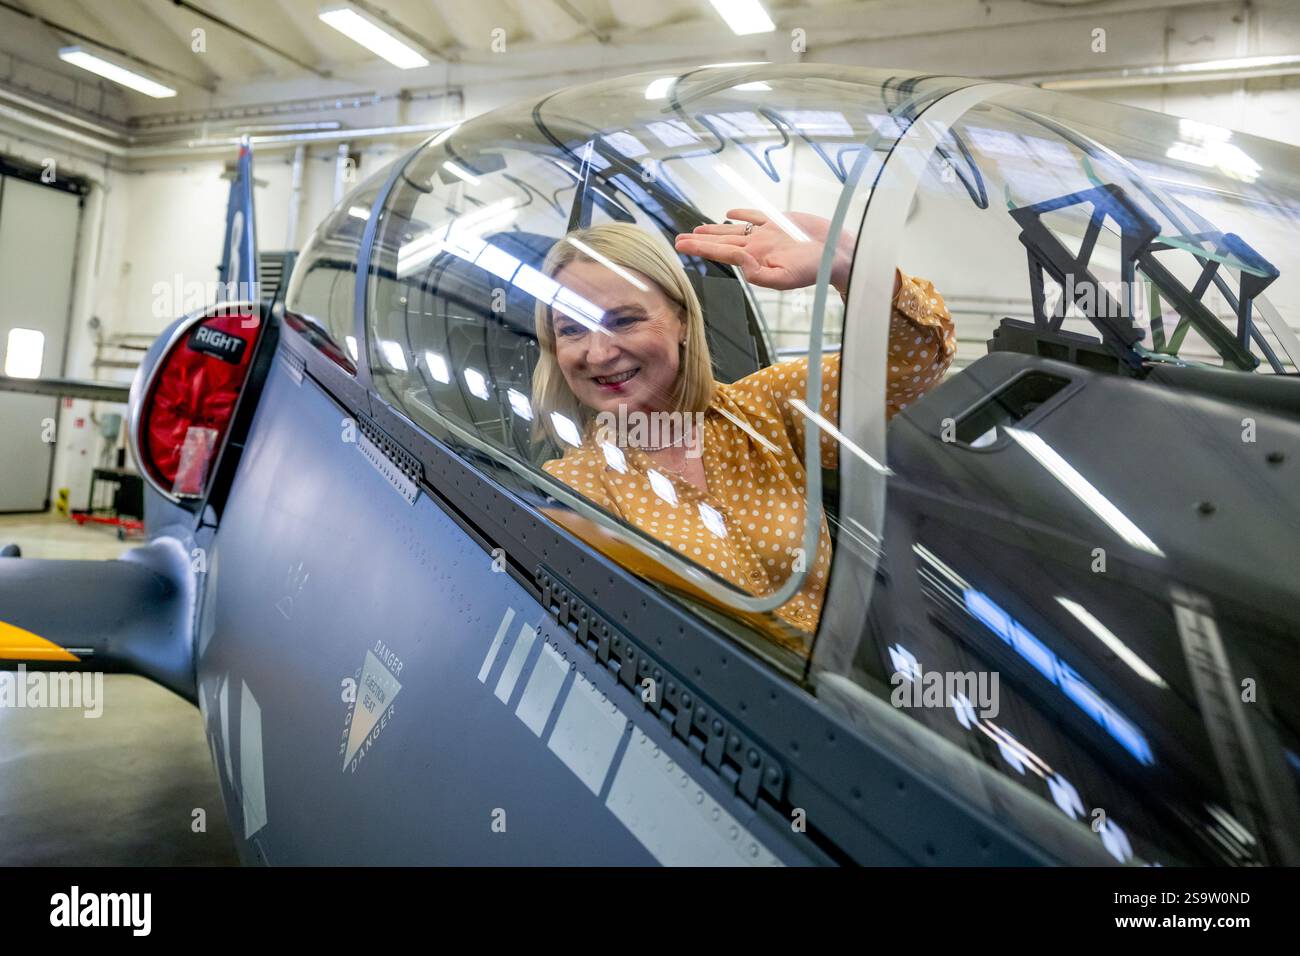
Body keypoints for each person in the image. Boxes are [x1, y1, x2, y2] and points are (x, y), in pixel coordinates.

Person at [531, 209, 954, 644]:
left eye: (624, 321)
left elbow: (911, 366)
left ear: (681, 321)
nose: (599, 354)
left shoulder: (764, 408)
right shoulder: (573, 491)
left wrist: (855, 271)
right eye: (572, 329)